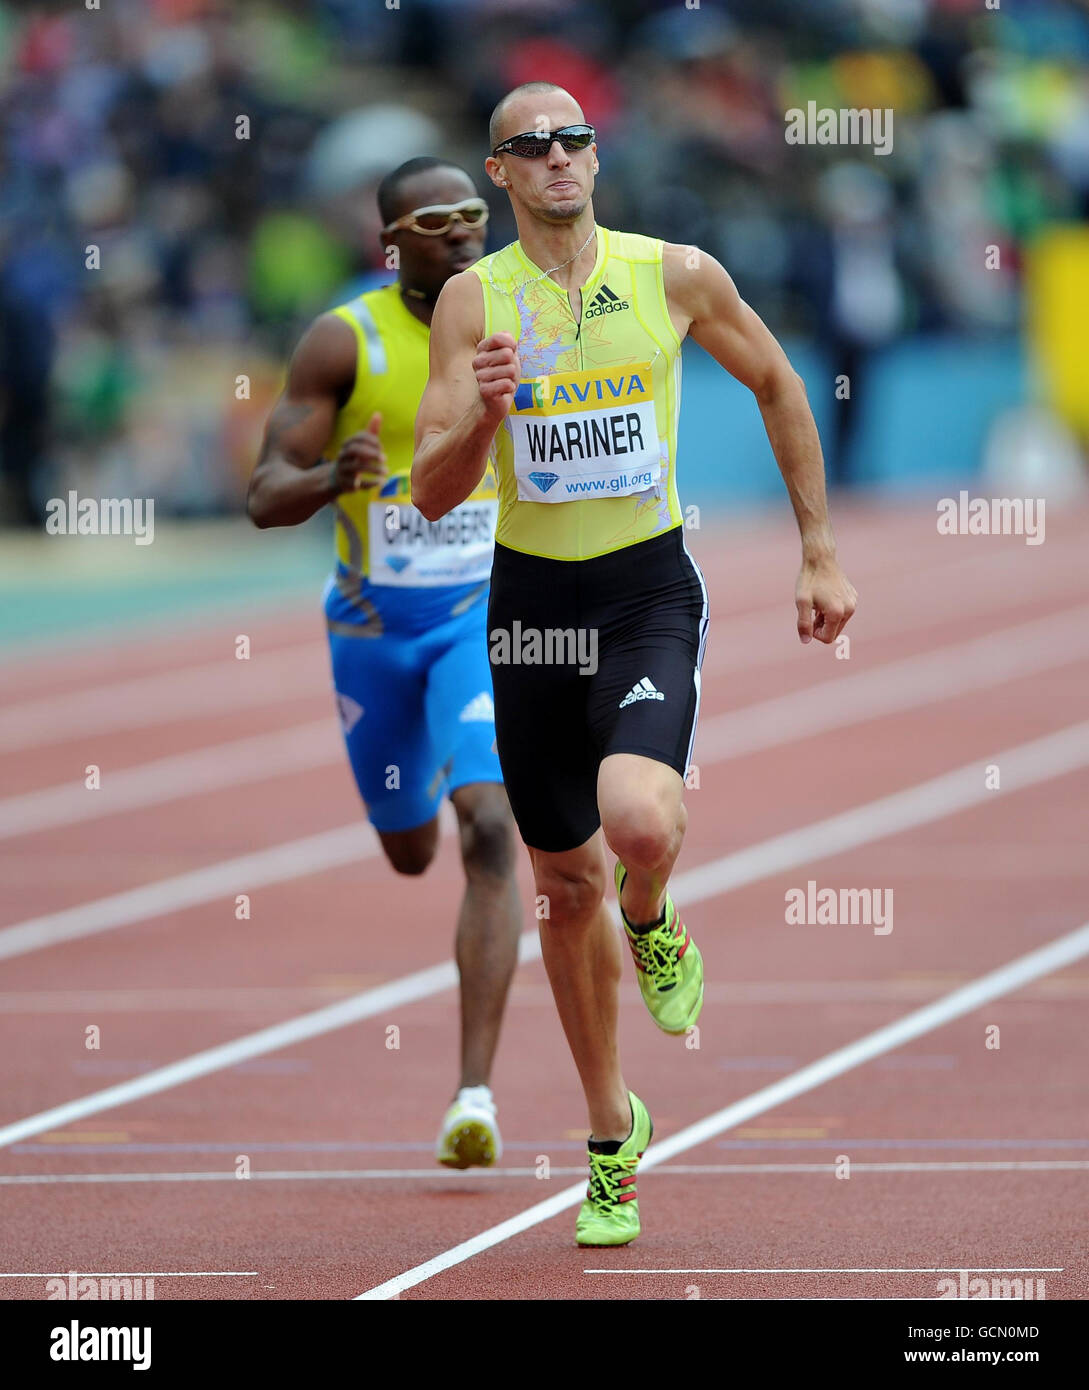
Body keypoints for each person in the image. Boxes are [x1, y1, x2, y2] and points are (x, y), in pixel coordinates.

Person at [411, 84, 858, 1245]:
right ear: (501, 173)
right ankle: (613, 1135)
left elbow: (776, 381)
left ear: (595, 159)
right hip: (530, 609)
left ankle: (654, 913)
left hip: (644, 591)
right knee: (562, 889)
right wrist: (482, 417)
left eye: (576, 139)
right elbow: (431, 487)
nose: (560, 157)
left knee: (638, 822)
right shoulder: (474, 302)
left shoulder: (676, 275)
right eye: (532, 146)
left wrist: (817, 550)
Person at [247, 158, 522, 1169]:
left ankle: (474, 1096)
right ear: (390, 244)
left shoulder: (520, 318)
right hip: (374, 632)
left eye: (472, 217)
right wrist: (332, 478)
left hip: (479, 618)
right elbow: (264, 494)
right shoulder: (344, 339)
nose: (461, 234)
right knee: (412, 850)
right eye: (434, 221)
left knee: (491, 828)